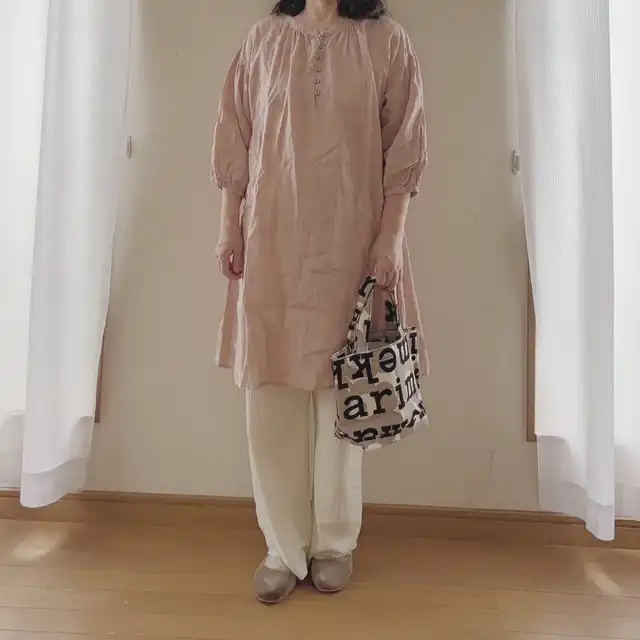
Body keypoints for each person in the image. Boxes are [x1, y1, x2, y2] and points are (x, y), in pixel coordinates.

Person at [211, 0, 427, 604]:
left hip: (350, 240)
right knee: (271, 390)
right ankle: (282, 547)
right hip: (272, 238)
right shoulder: (262, 39)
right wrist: (228, 226)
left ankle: (334, 543)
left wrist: (391, 237)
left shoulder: (387, 42)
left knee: (343, 391)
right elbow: (234, 136)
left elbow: (404, 148)